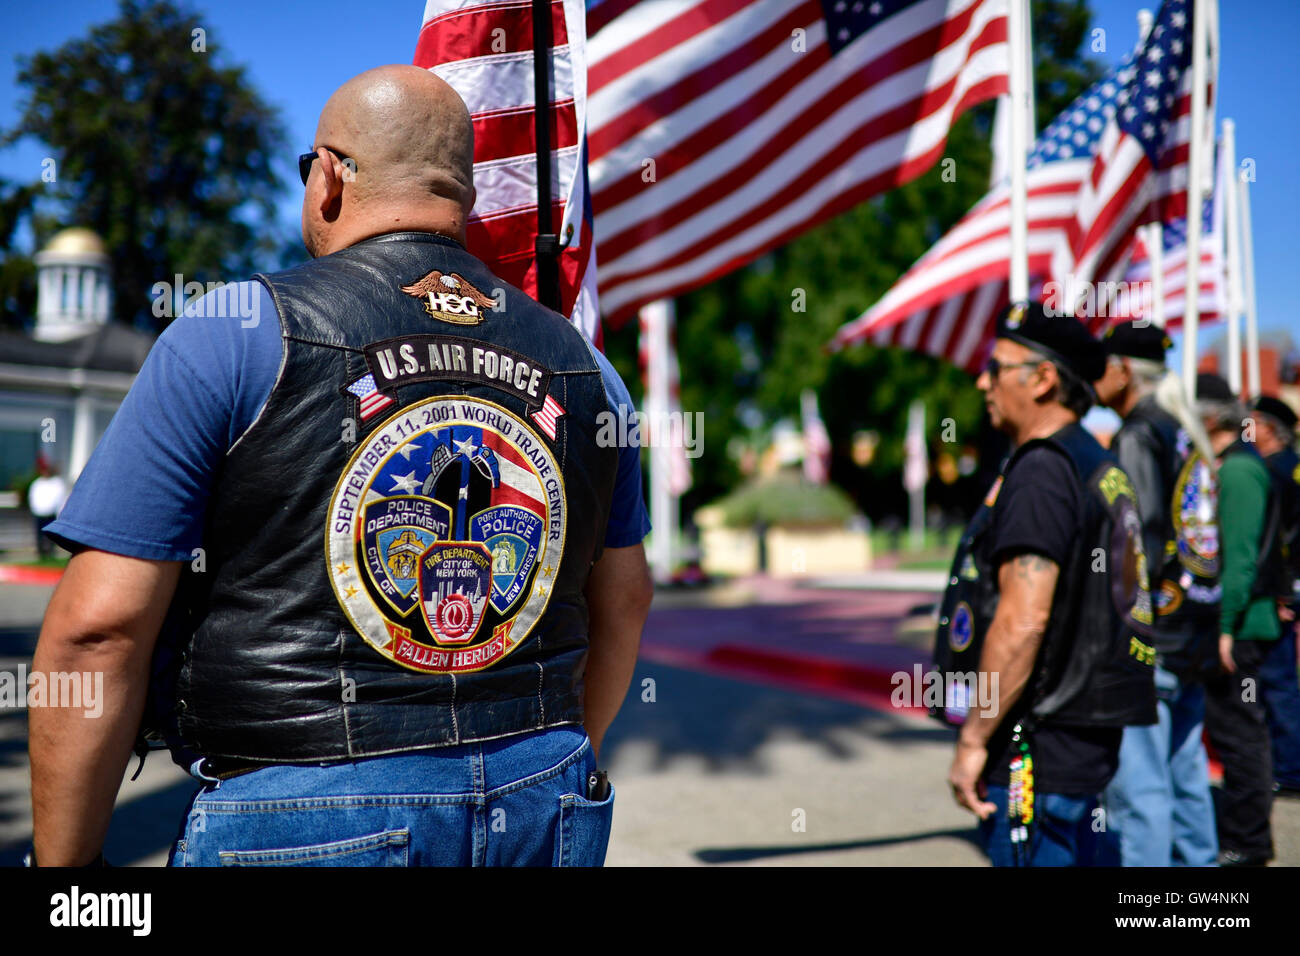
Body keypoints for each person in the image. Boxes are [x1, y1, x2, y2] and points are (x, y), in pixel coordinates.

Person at [28, 65, 654, 868]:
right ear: (461, 196)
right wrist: (556, 759)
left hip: (301, 812)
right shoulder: (588, 369)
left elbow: (97, 630)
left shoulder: (233, 328)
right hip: (544, 798)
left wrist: (62, 878)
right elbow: (627, 596)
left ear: (328, 175)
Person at [940, 302, 1157, 867]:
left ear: (1042, 379)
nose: (983, 381)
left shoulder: (1041, 468)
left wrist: (972, 739)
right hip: (1083, 739)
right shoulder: (1096, 463)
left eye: (997, 367)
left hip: (1039, 745)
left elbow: (1023, 619)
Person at [1091, 322, 1219, 866]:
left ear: (1124, 371)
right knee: (1185, 770)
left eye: (1103, 364)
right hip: (1194, 627)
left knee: (1140, 787)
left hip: (1154, 636)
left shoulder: (1139, 434)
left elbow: (1133, 538)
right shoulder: (1184, 428)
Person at [1198, 373, 1282, 866]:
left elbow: (1239, 558)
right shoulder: (1234, 466)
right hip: (1242, 622)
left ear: (1209, 417)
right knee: (1239, 730)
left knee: (1241, 733)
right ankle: (1244, 835)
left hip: (1243, 627)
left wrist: (1225, 627)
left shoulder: (1237, 472)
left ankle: (1248, 842)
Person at [1247, 395, 1300, 797]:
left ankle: (1289, 770)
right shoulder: (1287, 468)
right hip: (1282, 591)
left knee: (1276, 685)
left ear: (1267, 427)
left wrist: (1285, 593)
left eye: (1252, 422)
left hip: (1276, 595)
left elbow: (1281, 542)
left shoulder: (1275, 473)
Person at [26, 457, 68, 559]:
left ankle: (51, 551)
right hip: (39, 513)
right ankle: (41, 552)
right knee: (39, 535)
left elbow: (60, 498)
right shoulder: (36, 483)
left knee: (51, 535)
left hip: (51, 513)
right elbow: (32, 497)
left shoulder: (57, 483)